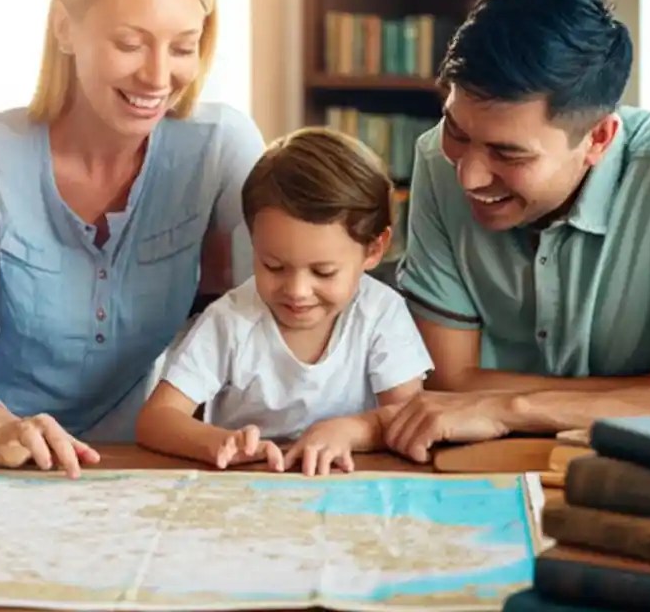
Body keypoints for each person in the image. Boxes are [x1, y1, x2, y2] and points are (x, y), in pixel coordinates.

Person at [0, 0, 265, 478]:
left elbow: (268, 322)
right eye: (130, 42)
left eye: (182, 46)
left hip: (144, 461)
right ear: (64, 27)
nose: (158, 77)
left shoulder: (220, 146)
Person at [384, 0, 650, 463]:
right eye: (456, 128)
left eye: (508, 154)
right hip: (477, 467)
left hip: (645, 473)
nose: (468, 176)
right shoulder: (436, 159)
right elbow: (447, 383)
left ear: (598, 138)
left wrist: (513, 408)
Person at [135, 128, 432, 476]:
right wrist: (217, 442)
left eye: (323, 272)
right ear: (254, 241)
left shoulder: (381, 314)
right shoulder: (230, 320)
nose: (297, 290)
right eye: (273, 266)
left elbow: (411, 420)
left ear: (374, 249)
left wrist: (351, 432)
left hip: (348, 487)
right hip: (248, 487)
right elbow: (156, 419)